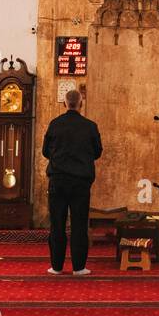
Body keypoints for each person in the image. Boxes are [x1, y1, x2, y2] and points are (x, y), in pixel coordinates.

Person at [42, 88, 102, 276]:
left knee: (57, 224)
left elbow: (45, 151)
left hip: (58, 180)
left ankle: (57, 267)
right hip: (80, 182)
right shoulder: (90, 126)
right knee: (79, 224)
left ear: (64, 104)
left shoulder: (54, 124)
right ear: (81, 104)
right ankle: (79, 267)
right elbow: (97, 152)